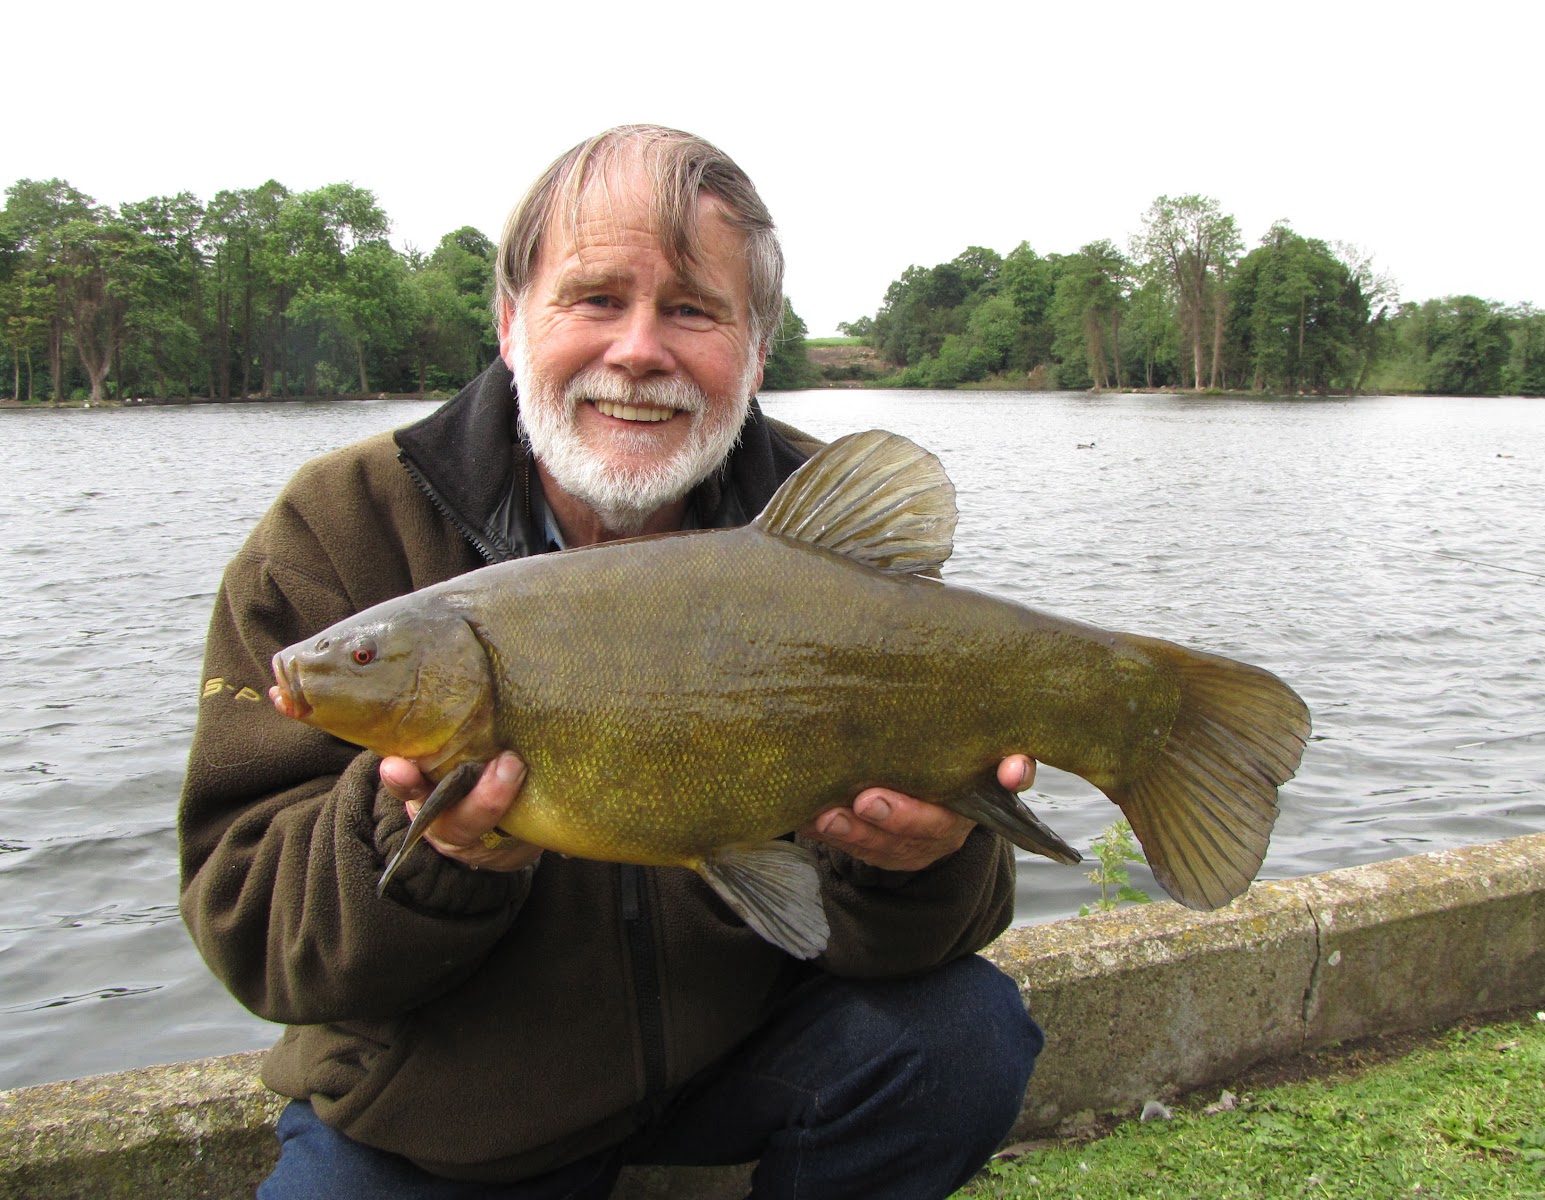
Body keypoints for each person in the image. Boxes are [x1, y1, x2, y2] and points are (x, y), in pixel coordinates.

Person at [179, 124, 1043, 1199]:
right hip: (444, 1118)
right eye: (594, 299)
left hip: (744, 1052)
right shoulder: (339, 529)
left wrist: (917, 863)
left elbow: (940, 928)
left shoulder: (820, 534)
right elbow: (251, 927)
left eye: (690, 309)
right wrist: (428, 858)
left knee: (959, 1037)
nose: (639, 350)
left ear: (756, 348)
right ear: (509, 323)